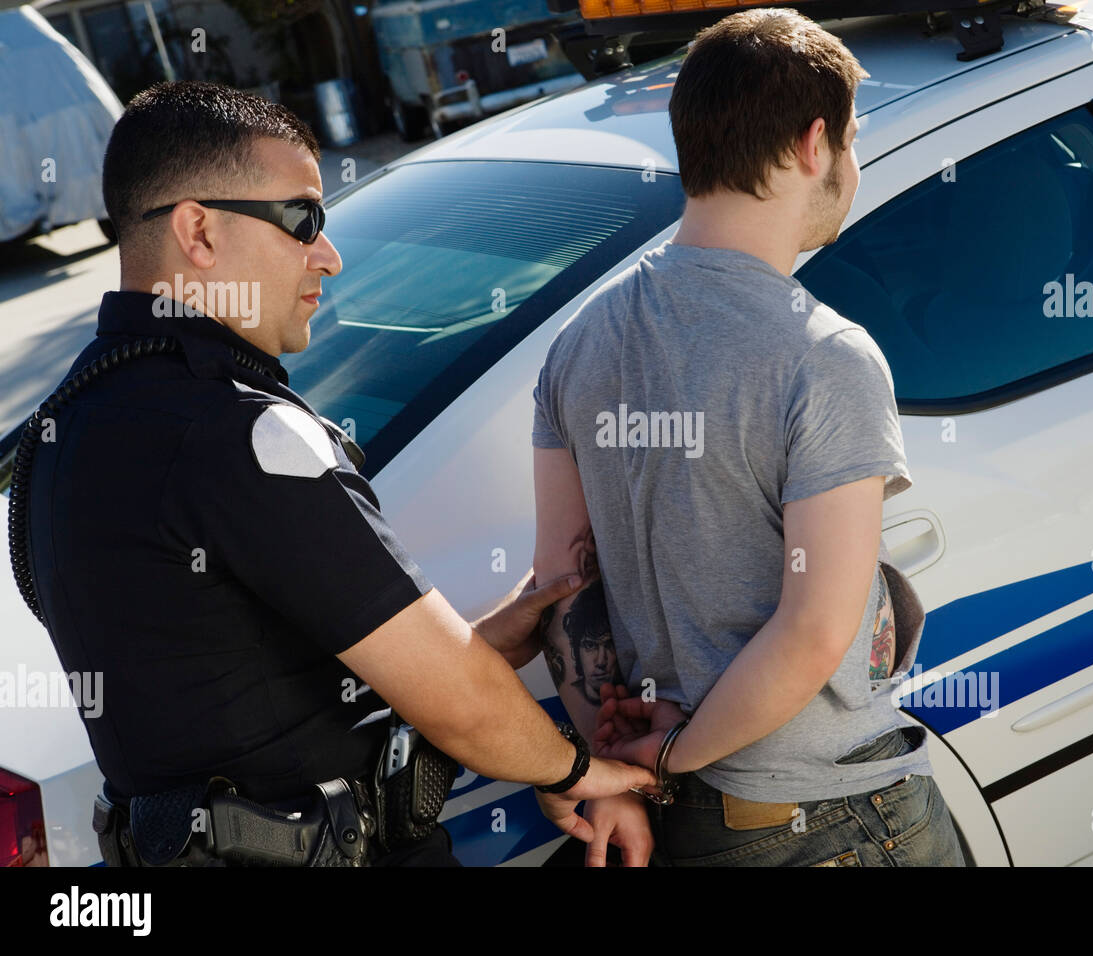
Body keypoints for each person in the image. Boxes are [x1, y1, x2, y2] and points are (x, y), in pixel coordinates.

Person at [8, 81, 653, 867]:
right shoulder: (237, 431)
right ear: (199, 232)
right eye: (303, 219)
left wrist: (483, 644)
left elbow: (232, 677)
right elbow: (457, 703)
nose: (331, 255)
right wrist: (581, 769)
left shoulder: (64, 422)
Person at [531, 9, 965, 866]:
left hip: (689, 823)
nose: (851, 163)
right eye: (849, 140)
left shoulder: (577, 345)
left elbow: (560, 588)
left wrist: (619, 770)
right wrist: (666, 756)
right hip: (827, 812)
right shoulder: (825, 355)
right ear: (814, 145)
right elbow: (813, 632)